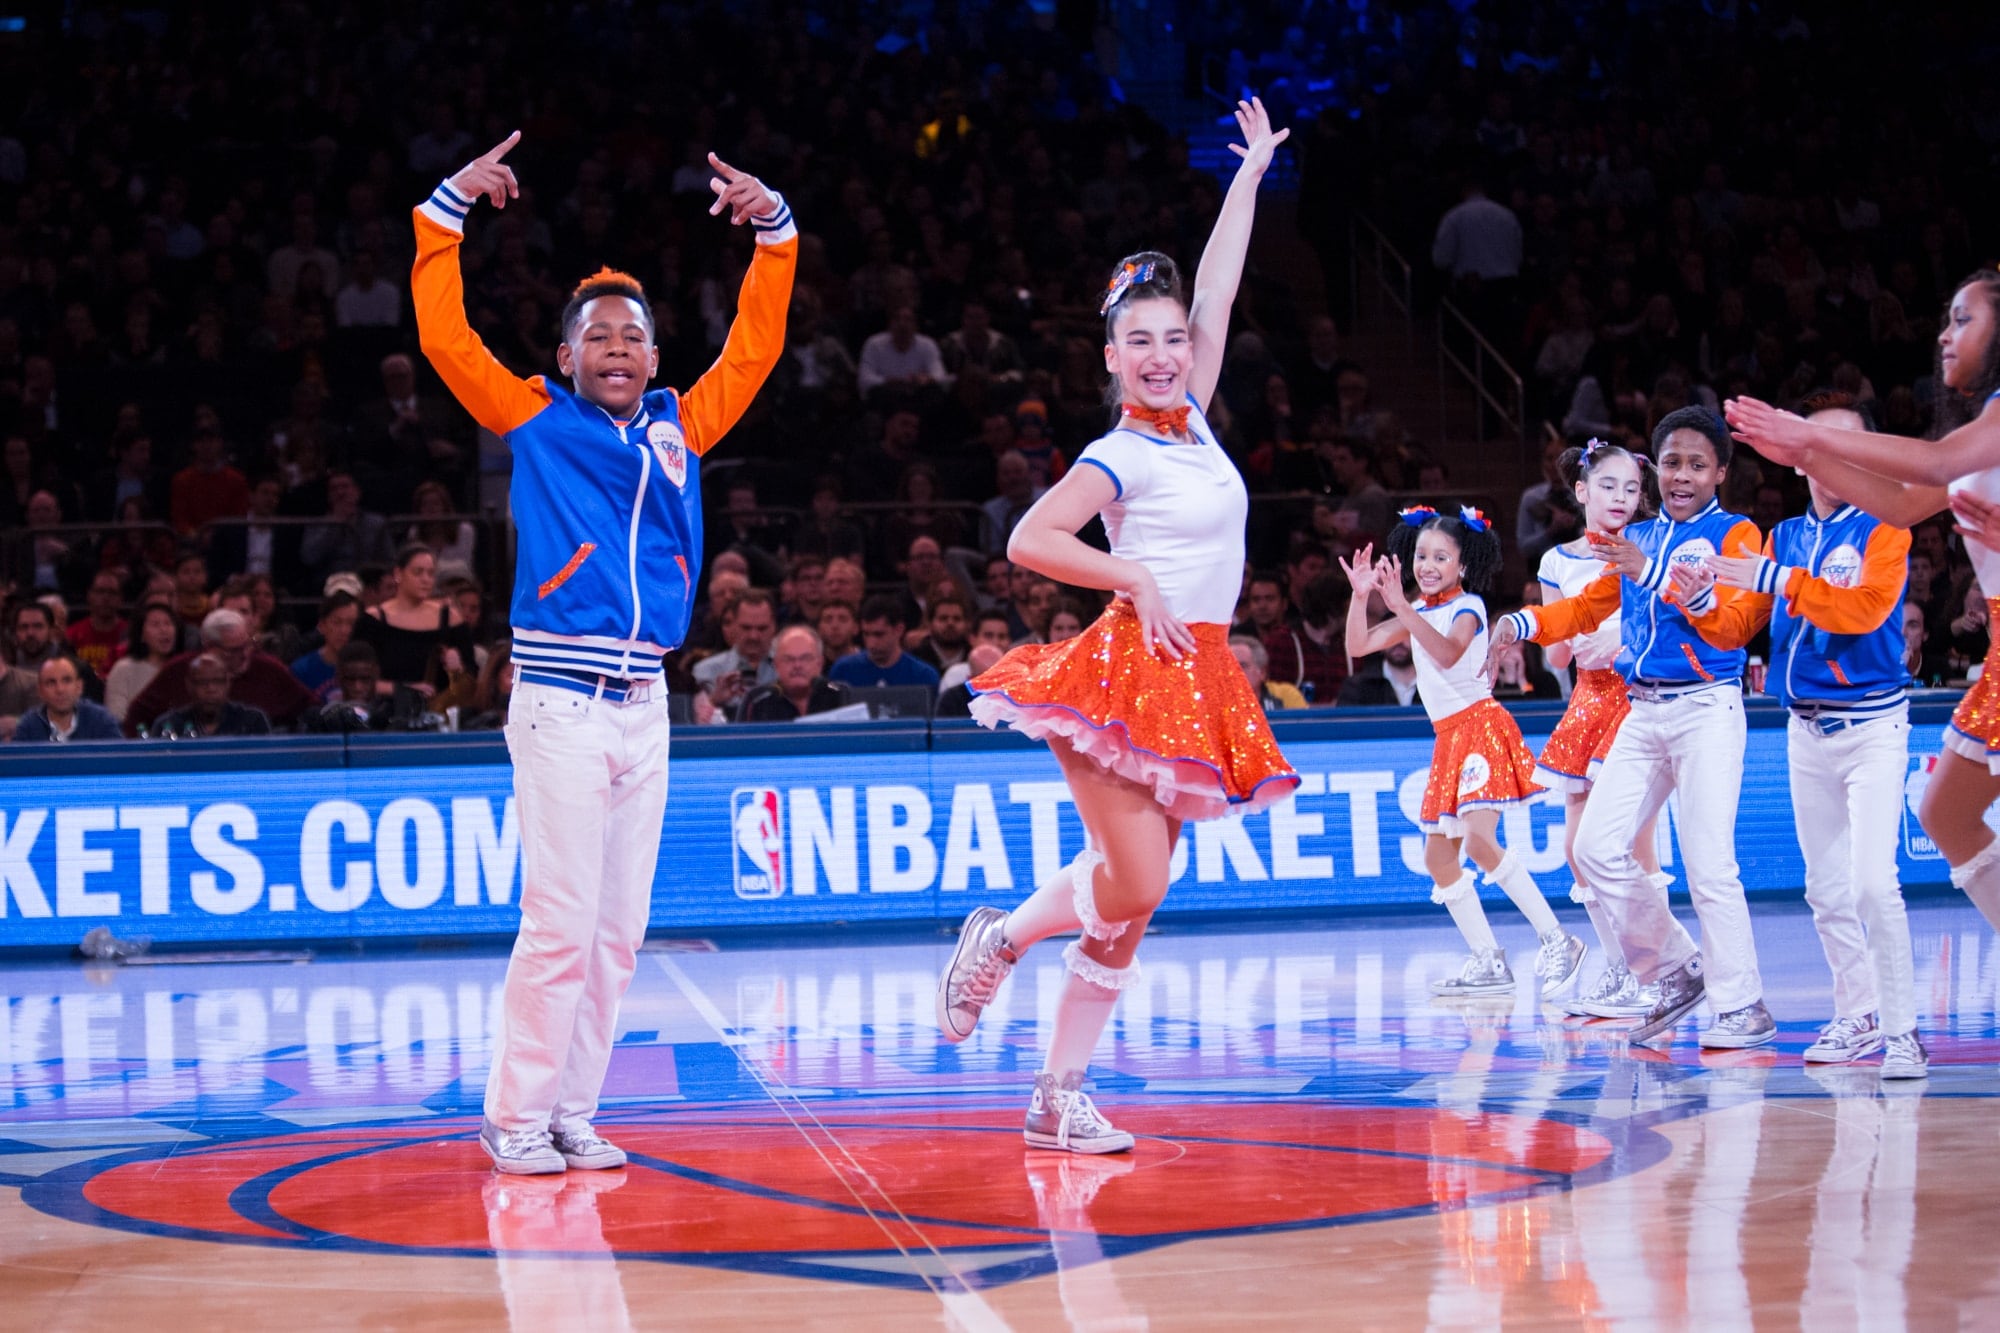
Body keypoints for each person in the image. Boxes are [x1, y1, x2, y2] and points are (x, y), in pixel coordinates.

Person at [413, 132, 794, 1174]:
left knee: (619, 932)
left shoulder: (682, 425)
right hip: (558, 702)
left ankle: (572, 1111)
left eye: (634, 335)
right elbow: (447, 340)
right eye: (598, 336)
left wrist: (773, 232)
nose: (618, 348)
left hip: (644, 703)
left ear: (655, 357)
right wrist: (444, 216)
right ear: (567, 355)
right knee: (560, 922)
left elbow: (754, 349)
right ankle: (512, 1116)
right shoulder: (532, 417)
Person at [937, 100, 1301, 1156]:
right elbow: (1030, 540)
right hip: (1122, 669)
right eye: (1137, 341)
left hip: (1196, 675)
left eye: (1172, 337)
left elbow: (1220, 286)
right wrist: (1128, 571)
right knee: (1137, 879)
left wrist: (1248, 177)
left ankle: (1056, 1094)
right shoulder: (1124, 452)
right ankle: (999, 938)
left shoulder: (1194, 423)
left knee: (1131, 904)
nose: (1160, 353)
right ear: (1109, 355)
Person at [1725, 270, 2000, 944]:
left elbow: (1933, 465)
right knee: (1948, 815)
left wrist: (1810, 437)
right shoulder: (1982, 426)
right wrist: (1799, 452)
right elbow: (1905, 501)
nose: (1944, 332)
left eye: (1963, 318)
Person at [1491, 407, 1772, 1048]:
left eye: (1696, 464)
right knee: (1593, 850)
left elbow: (1732, 627)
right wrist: (1518, 626)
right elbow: (1586, 607)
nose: (1681, 475)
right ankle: (1677, 963)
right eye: (1671, 462)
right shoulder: (1641, 539)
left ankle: (1745, 1006)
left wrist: (1650, 572)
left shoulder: (1738, 536)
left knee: (1709, 865)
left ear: (1721, 472)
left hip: (1706, 708)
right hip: (1642, 713)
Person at [1681, 393, 1925, 1079]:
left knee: (1874, 883)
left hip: (1874, 723)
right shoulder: (1782, 535)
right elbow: (1738, 628)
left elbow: (1864, 610)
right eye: (1814, 446)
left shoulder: (1885, 527)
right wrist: (1702, 601)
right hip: (1804, 729)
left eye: (1848, 447)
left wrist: (1779, 579)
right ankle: (1859, 1013)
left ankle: (1904, 1030)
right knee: (1824, 888)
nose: (1829, 460)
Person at [1342, 508, 1583, 1000]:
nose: (1427, 565)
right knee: (1438, 857)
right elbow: (1359, 643)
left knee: (1477, 842)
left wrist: (1403, 610)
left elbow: (1449, 653)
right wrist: (1361, 593)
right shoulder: (1419, 611)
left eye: (1440, 557)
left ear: (1463, 565)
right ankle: (1488, 960)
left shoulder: (1467, 606)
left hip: (1480, 726)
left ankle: (1558, 939)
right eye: (1421, 556)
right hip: (1448, 738)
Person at [1532, 441, 1667, 1020]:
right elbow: (1558, 655)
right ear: (1582, 492)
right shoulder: (1555, 562)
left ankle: (1656, 973)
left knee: (1637, 845)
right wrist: (1544, 637)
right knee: (1577, 848)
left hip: (1639, 697)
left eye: (1631, 489)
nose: (1620, 498)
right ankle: (1620, 965)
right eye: (1608, 486)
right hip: (1588, 699)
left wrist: (1623, 638)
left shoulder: (1653, 545)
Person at [124, 607, 319, 735]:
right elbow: (136, 717)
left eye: (247, 645)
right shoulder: (179, 671)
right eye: (234, 650)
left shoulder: (269, 669)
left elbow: (313, 711)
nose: (245, 655)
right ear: (208, 646)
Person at [828, 595, 942, 690]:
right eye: (866, 634)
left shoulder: (924, 676)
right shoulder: (842, 670)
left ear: (899, 630)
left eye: (879, 635)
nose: (871, 643)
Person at [739, 626, 852, 721]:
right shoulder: (757, 700)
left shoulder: (838, 692)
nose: (797, 665)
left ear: (820, 663)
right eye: (789, 659)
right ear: (776, 665)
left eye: (805, 658)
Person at [151, 652, 273, 737]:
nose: (211, 689)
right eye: (202, 682)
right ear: (189, 685)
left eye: (218, 681)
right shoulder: (168, 725)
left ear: (228, 683)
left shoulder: (252, 720)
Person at [13, 657, 122, 742]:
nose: (60, 689)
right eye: (51, 682)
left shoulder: (101, 720)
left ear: (79, 687)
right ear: (40, 691)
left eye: (67, 680)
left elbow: (120, 762)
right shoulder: (28, 726)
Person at [104, 603, 181, 723]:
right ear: (141, 634)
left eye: (168, 623)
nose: (164, 630)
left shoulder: (181, 667)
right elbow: (116, 715)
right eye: (155, 625)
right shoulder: (124, 669)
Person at [291, 592, 363, 701]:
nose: (344, 630)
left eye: (351, 623)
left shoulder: (367, 669)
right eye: (337, 622)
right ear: (322, 626)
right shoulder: (301, 670)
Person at [1229, 636, 1304, 712]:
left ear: (1262, 672)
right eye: (1227, 666)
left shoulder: (1286, 696)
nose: (1231, 672)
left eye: (1242, 666)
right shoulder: (1216, 700)